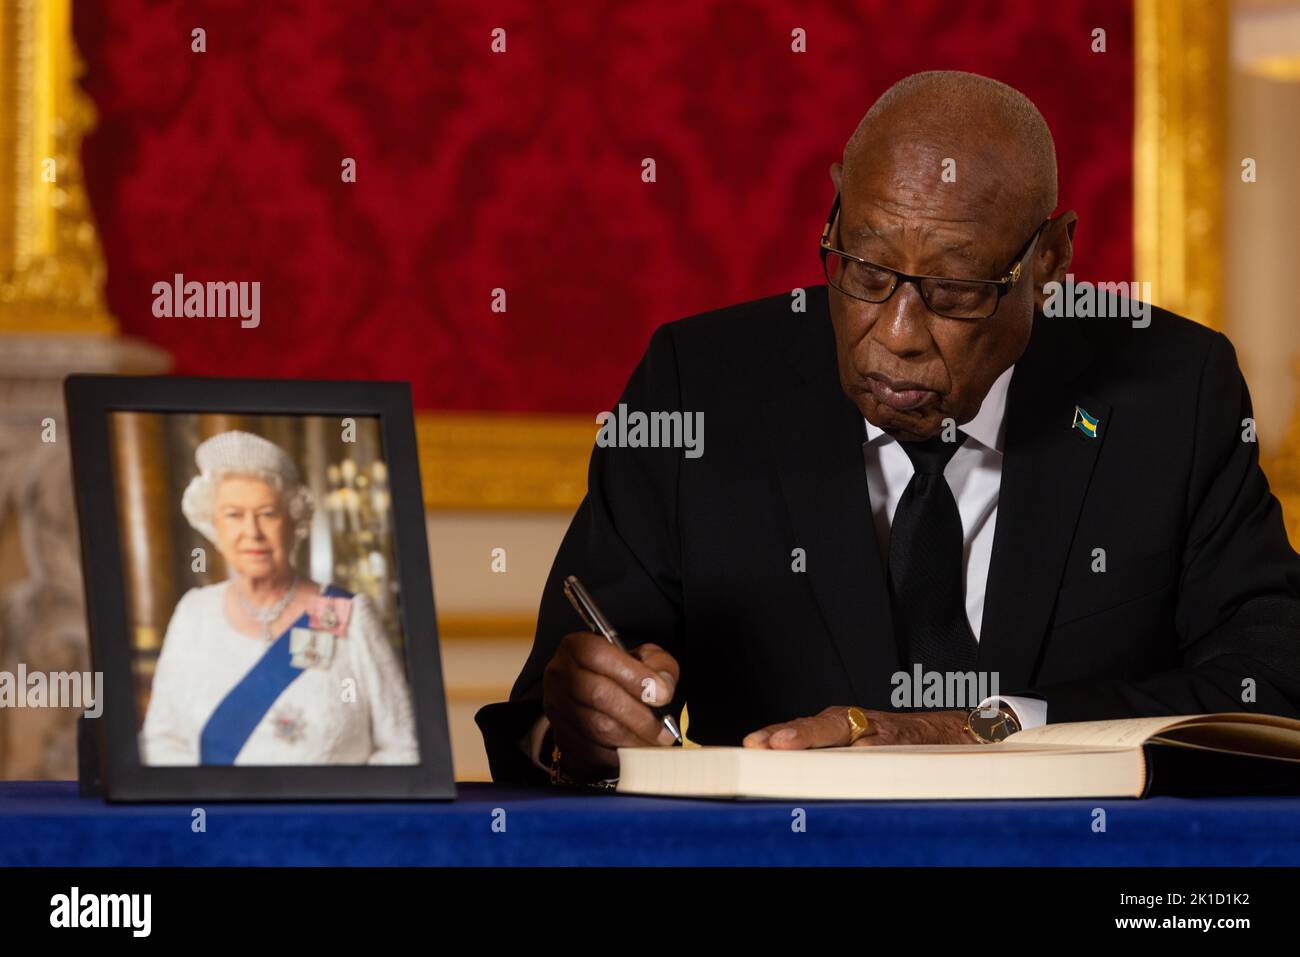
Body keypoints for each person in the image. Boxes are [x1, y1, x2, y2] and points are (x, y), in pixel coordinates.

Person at [476, 70, 1300, 786]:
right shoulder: (697, 386)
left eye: (956, 289)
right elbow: (549, 711)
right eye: (866, 270)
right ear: (837, 207)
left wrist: (979, 728)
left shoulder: (1173, 392)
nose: (898, 331)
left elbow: (1275, 680)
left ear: (1050, 260)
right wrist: (579, 730)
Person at [140, 430, 418, 765]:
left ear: (294, 522)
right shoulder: (193, 614)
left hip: (328, 816)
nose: (252, 532)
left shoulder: (348, 613)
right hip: (218, 816)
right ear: (215, 526)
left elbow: (403, 746)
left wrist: (351, 815)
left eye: (267, 513)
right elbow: (162, 740)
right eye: (234, 515)